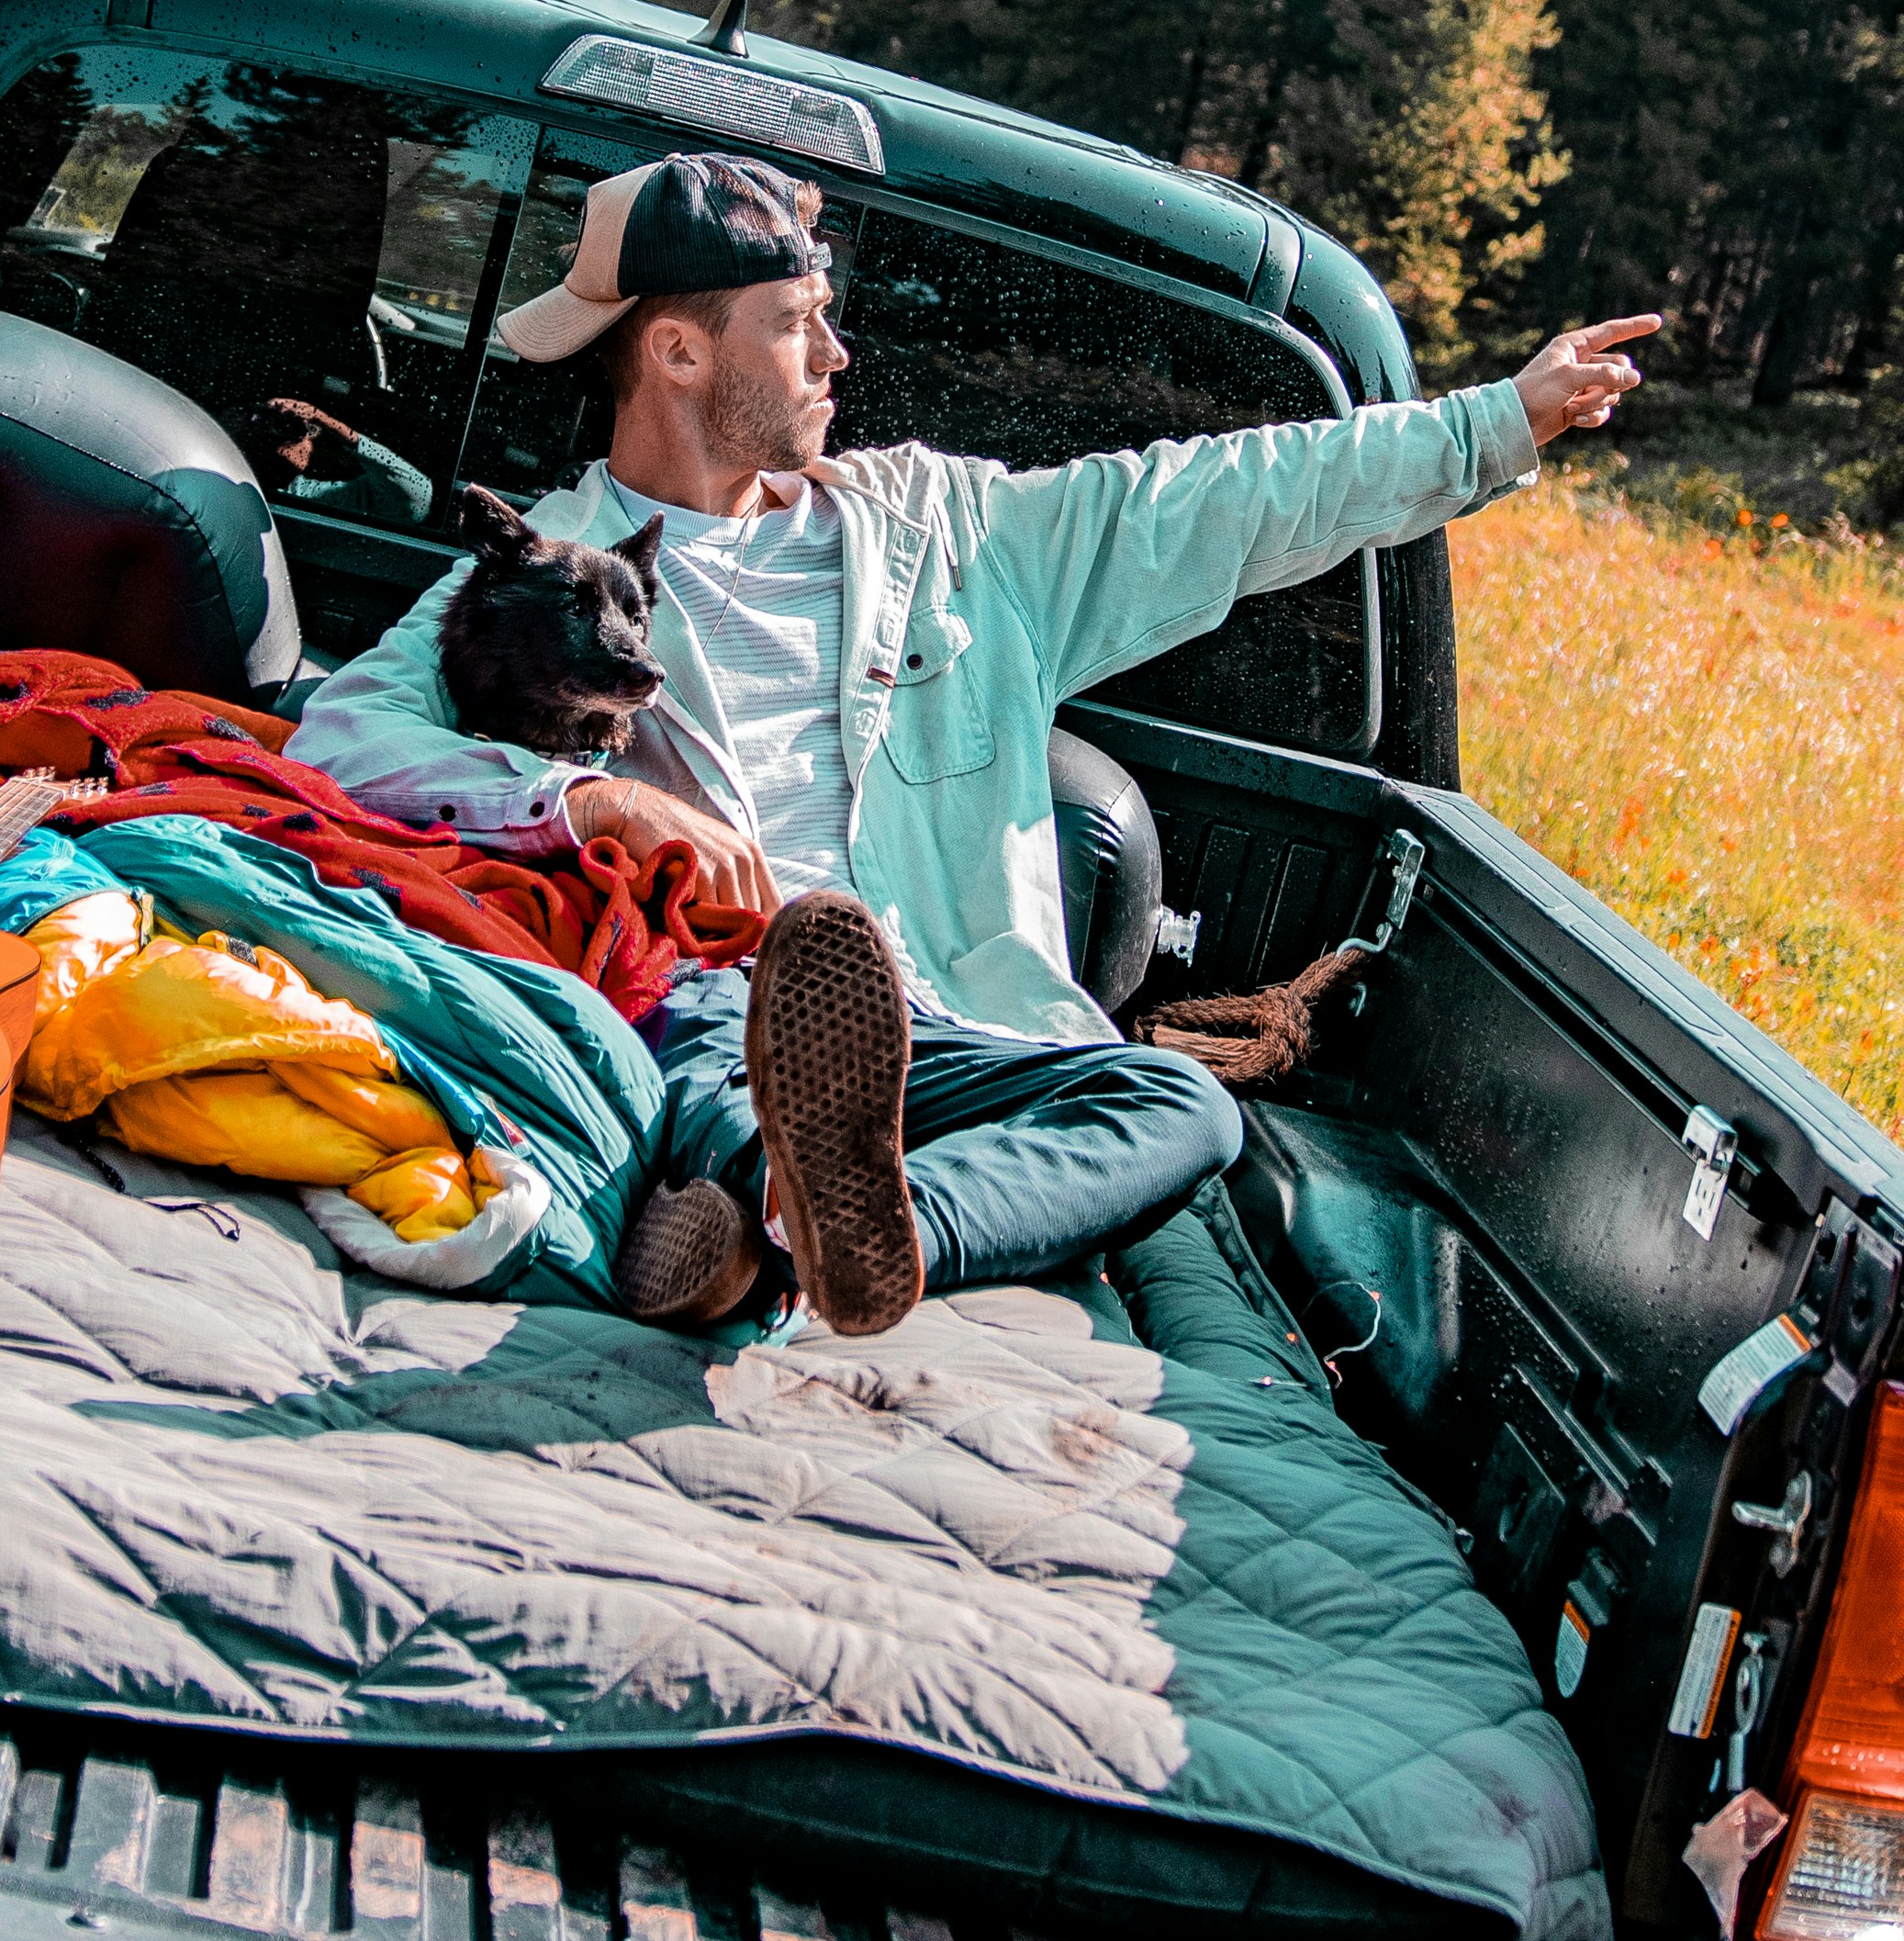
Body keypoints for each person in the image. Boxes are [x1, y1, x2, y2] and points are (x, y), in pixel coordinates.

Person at [290, 151, 1655, 1339]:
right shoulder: (555, 563)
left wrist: (1497, 420)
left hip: (951, 1022)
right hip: (732, 1004)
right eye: (799, 325)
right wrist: (589, 798)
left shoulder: (948, 532)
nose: (837, 358)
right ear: (682, 352)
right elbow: (346, 734)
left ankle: (851, 1233)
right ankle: (778, 1194)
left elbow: (1220, 498)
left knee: (1182, 1107)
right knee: (704, 1062)